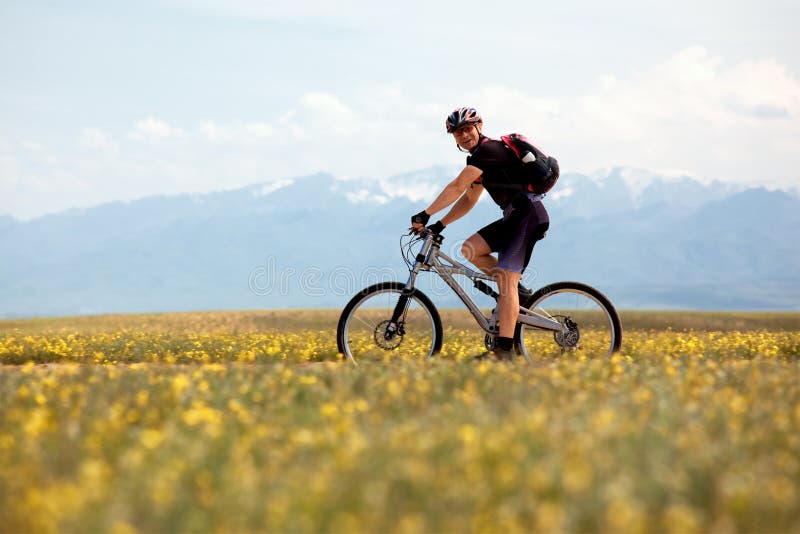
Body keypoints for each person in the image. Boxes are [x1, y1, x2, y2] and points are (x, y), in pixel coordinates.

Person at [410, 107, 550, 360]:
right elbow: (469, 197)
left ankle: (504, 352)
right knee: (470, 249)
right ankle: (519, 295)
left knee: (506, 281)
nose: (463, 136)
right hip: (514, 216)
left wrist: (426, 214)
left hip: (527, 215)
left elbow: (456, 186)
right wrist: (441, 224)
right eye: (457, 133)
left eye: (467, 129)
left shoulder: (488, 151)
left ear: (479, 126)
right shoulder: (477, 160)